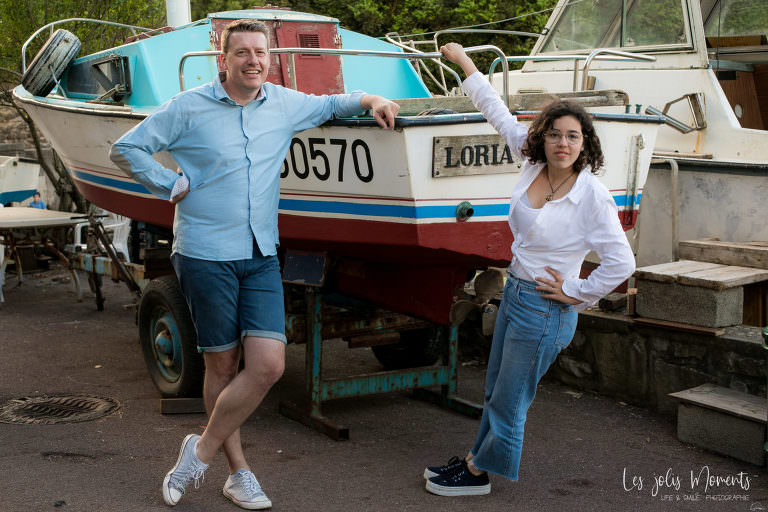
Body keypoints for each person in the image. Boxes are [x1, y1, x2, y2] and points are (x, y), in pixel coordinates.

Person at [110, 19, 399, 509]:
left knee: (266, 365)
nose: (253, 61)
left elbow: (334, 103)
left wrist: (372, 101)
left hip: (261, 252)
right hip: (204, 255)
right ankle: (237, 472)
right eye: (241, 52)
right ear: (223, 60)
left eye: (260, 52)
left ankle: (197, 450)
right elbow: (126, 148)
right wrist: (169, 185)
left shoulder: (284, 104)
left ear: (270, 57)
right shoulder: (188, 107)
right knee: (221, 365)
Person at [423, 43, 636, 497]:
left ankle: (478, 475)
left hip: (544, 309)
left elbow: (623, 261)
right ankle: (473, 460)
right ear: (544, 136)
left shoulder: (592, 195)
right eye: (556, 133)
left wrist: (578, 292)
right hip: (516, 295)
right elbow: (494, 108)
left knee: (510, 398)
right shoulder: (531, 158)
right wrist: (464, 62)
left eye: (573, 136)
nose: (563, 143)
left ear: (586, 143)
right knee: (497, 388)